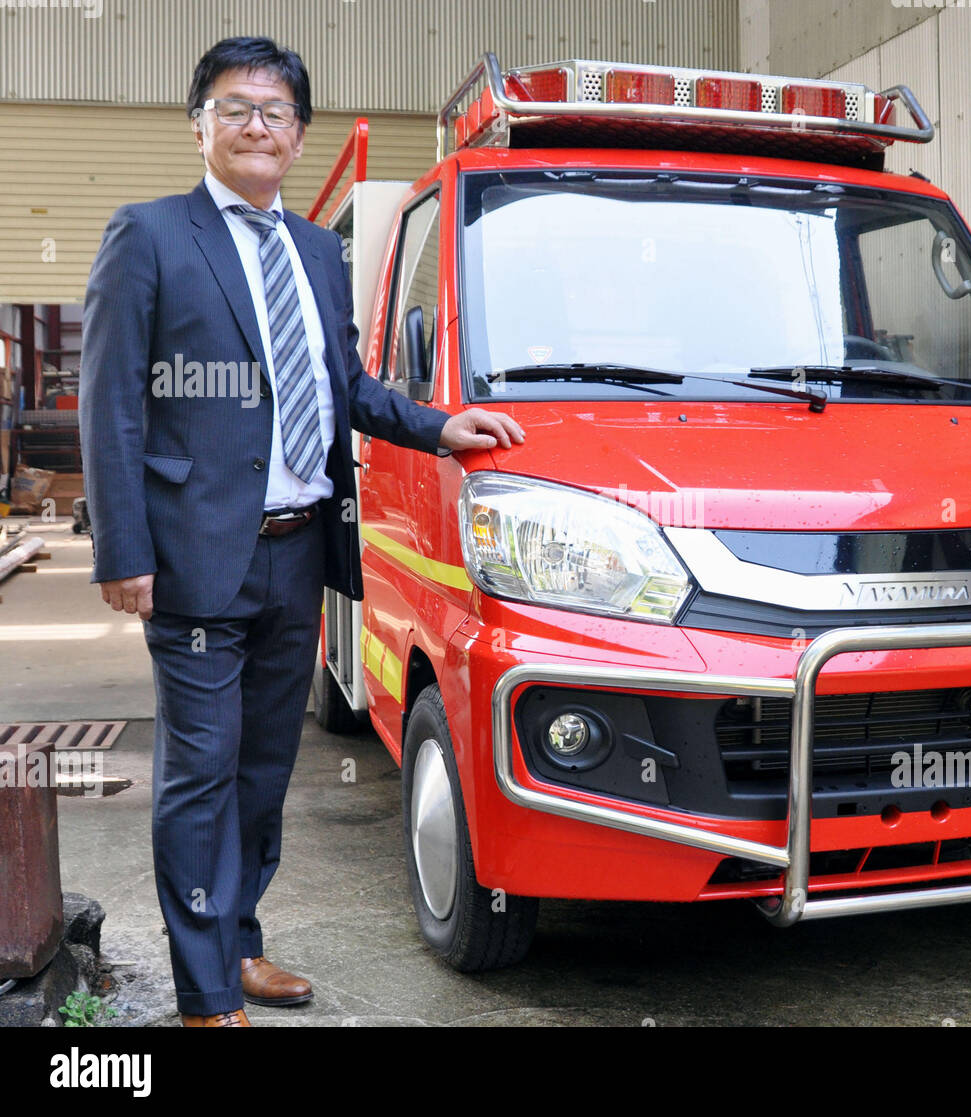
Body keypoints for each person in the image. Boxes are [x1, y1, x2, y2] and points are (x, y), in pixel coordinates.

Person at [79, 36, 524, 1027]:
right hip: (193, 558)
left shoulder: (320, 252)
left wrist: (439, 425)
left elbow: (347, 387)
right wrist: (124, 551)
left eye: (273, 112)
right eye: (233, 108)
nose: (254, 127)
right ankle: (202, 995)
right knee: (200, 773)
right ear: (199, 125)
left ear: (298, 133)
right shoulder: (148, 236)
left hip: (296, 553)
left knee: (263, 772)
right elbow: (109, 405)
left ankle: (238, 946)